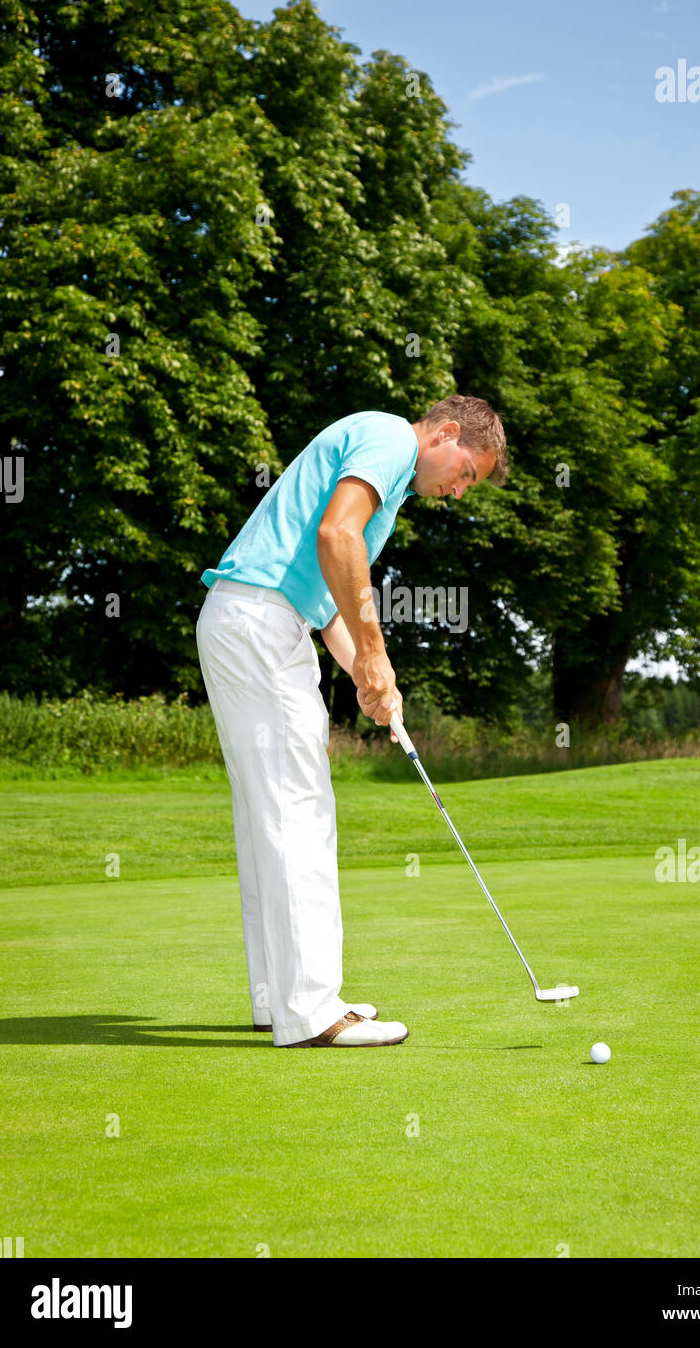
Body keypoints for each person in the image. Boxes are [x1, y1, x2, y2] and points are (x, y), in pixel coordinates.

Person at [195, 395, 508, 1048]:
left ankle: (278, 996)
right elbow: (337, 536)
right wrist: (374, 653)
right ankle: (310, 1010)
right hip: (260, 623)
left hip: (252, 618)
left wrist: (372, 682)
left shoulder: (385, 479)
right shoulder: (390, 438)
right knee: (297, 809)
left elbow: (332, 597)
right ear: (447, 433)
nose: (456, 490)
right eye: (465, 473)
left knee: (268, 817)